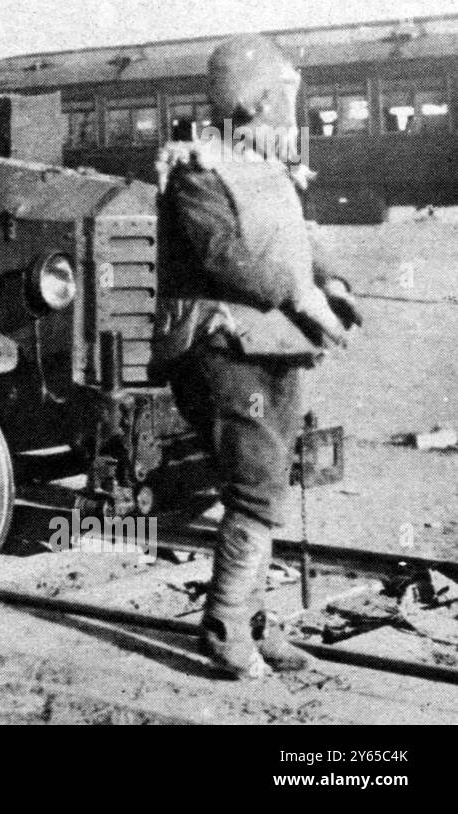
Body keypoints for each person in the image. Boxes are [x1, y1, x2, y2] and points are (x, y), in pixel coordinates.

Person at [151, 35, 361, 679]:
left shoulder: (264, 161)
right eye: (282, 97)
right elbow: (232, 257)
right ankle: (225, 630)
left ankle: (255, 625)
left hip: (276, 342)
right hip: (220, 344)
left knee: (267, 483)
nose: (290, 109)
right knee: (254, 483)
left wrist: (331, 281)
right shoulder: (198, 167)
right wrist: (302, 294)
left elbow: (294, 235)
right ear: (254, 100)